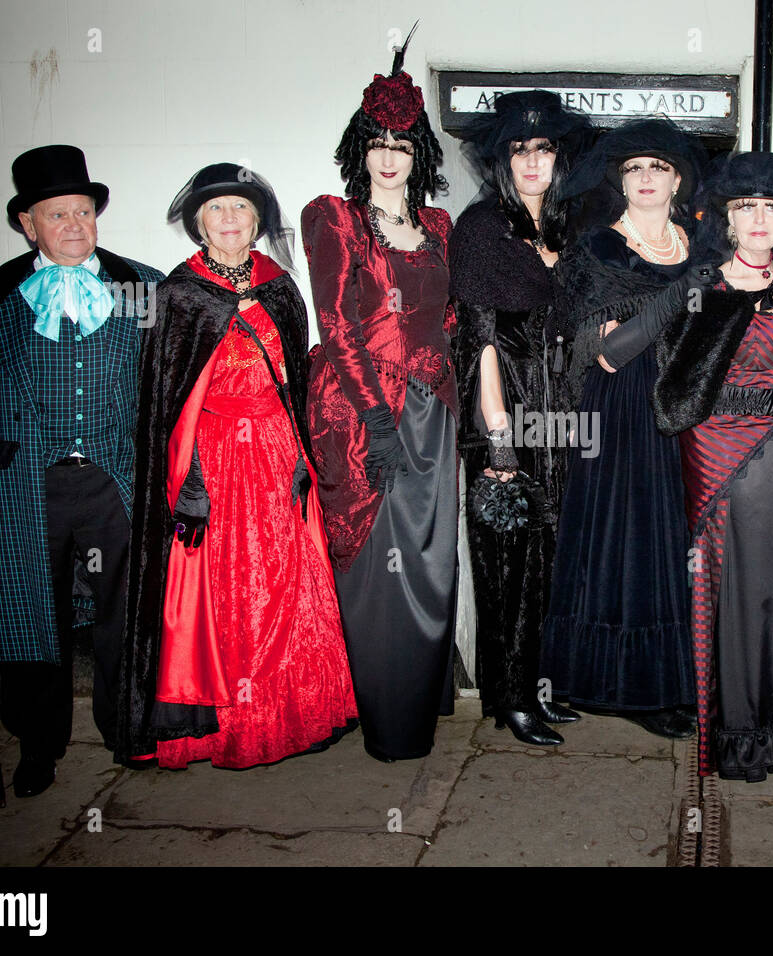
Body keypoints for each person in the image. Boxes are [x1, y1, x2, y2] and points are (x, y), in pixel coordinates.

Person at [0, 145, 162, 797]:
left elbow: (166, 393)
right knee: (30, 617)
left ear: (96, 216)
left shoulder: (141, 287)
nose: (72, 225)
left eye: (82, 211)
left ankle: (129, 730)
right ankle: (39, 745)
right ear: (28, 224)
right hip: (22, 485)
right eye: (55, 214)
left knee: (128, 612)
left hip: (116, 476)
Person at [117, 163, 357, 769]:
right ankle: (217, 729)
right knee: (222, 591)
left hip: (277, 454)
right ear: (199, 223)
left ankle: (285, 719)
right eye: (217, 210)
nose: (229, 220)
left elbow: (297, 384)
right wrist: (187, 478)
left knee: (284, 584)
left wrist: (303, 455)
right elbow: (165, 403)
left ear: (257, 221)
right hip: (213, 461)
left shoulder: (281, 287)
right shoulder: (177, 297)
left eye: (241, 209)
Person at [600, 152, 773, 779]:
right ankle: (737, 735)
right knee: (731, 589)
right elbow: (614, 356)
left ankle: (772, 729)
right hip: (718, 450)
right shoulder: (702, 284)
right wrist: (659, 306)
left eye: (772, 207)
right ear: (726, 217)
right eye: (745, 206)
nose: (758, 218)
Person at [304, 33, 458, 763]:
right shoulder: (333, 217)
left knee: (432, 563)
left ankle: (422, 712)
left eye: (402, 142)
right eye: (378, 141)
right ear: (359, 148)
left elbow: (450, 317)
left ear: (419, 154)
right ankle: (388, 724)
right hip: (364, 415)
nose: (390, 155)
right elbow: (336, 324)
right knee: (378, 568)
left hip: (435, 411)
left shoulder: (438, 225)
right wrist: (375, 418)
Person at [538, 118, 702, 739]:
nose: (646, 179)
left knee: (675, 539)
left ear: (677, 179)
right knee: (629, 538)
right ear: (621, 182)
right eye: (634, 169)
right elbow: (597, 349)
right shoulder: (598, 251)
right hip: (623, 406)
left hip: (690, 404)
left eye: (657, 167)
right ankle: (629, 689)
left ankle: (670, 681)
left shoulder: (699, 246)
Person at [450, 91, 592, 746]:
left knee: (553, 559)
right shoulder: (481, 229)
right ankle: (508, 699)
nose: (533, 162)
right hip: (507, 416)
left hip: (563, 419)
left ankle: (543, 686)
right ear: (502, 160)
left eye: (544, 149)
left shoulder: (571, 229)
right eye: (519, 150)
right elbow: (477, 338)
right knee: (507, 562)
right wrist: (499, 434)